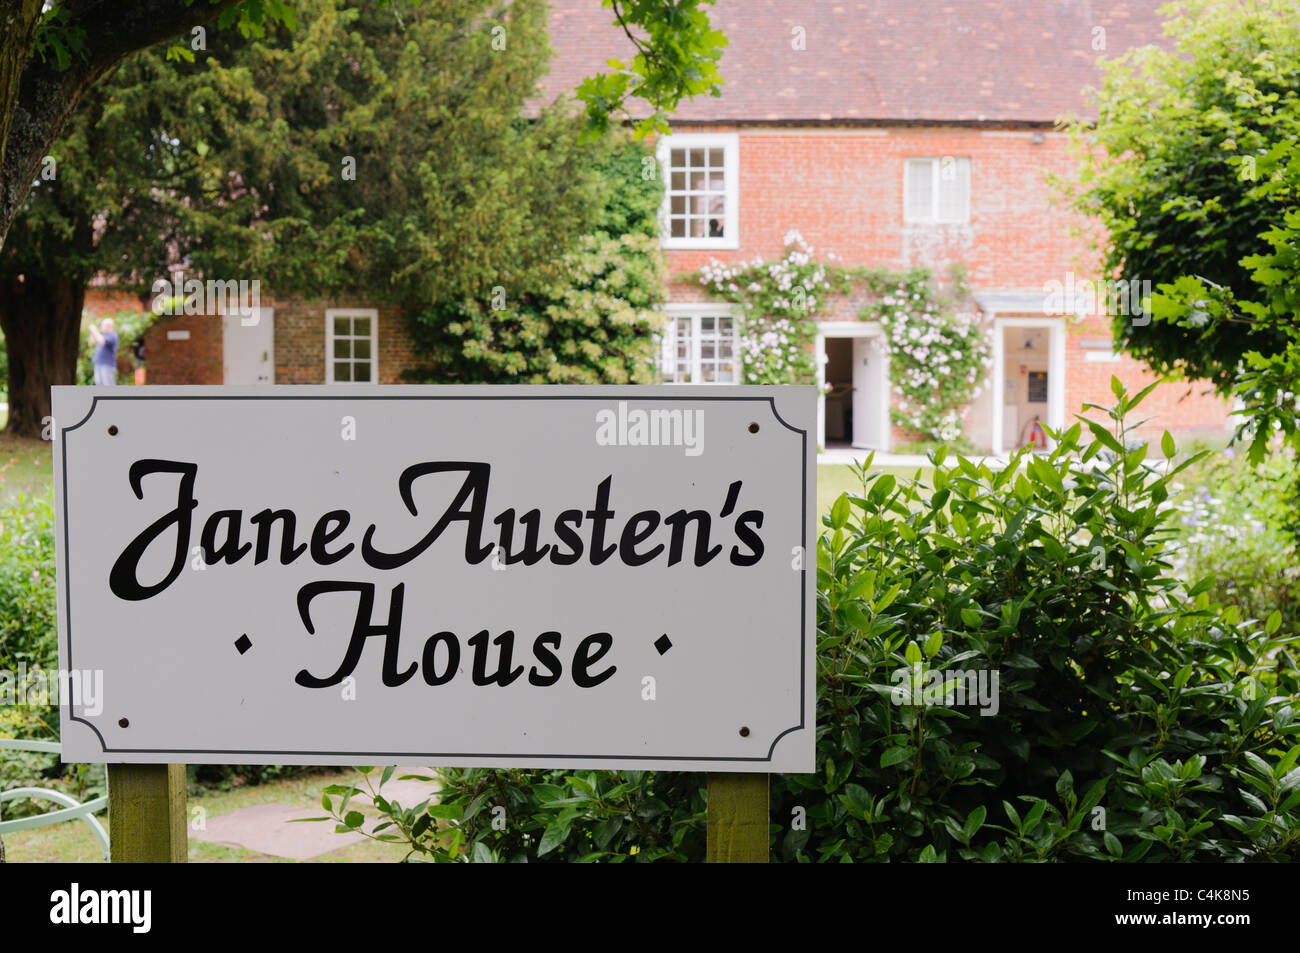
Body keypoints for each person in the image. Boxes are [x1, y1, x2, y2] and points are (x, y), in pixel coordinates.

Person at [88, 318, 118, 386]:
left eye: (103, 325)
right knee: (99, 383)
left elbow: (102, 341)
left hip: (106, 364)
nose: (101, 327)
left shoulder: (112, 335)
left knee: (108, 385)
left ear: (109, 326)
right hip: (98, 363)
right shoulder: (104, 335)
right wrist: (92, 332)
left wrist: (94, 330)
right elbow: (94, 341)